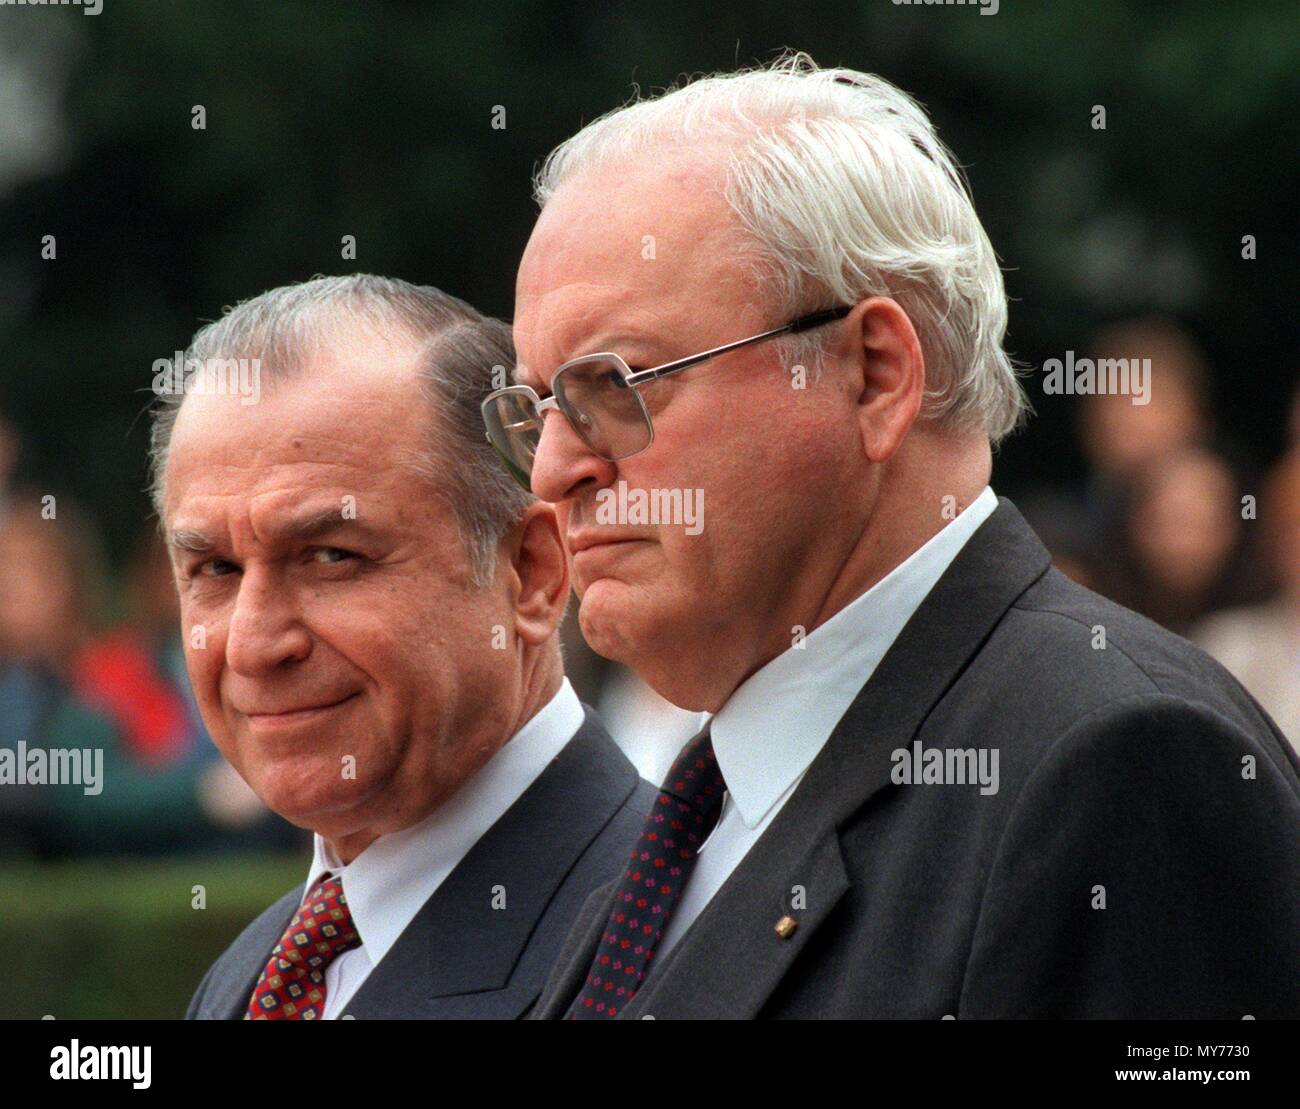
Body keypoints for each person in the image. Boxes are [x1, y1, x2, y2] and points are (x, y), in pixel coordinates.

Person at [483, 53, 1300, 1018]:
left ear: (873, 374)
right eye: (535, 410)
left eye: (617, 385)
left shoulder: (1123, 764)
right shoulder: (706, 808)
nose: (551, 473)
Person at [161, 275, 653, 1019]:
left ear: (530, 574)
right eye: (215, 569)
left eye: (331, 556)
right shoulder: (250, 975)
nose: (255, 643)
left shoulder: (673, 934)